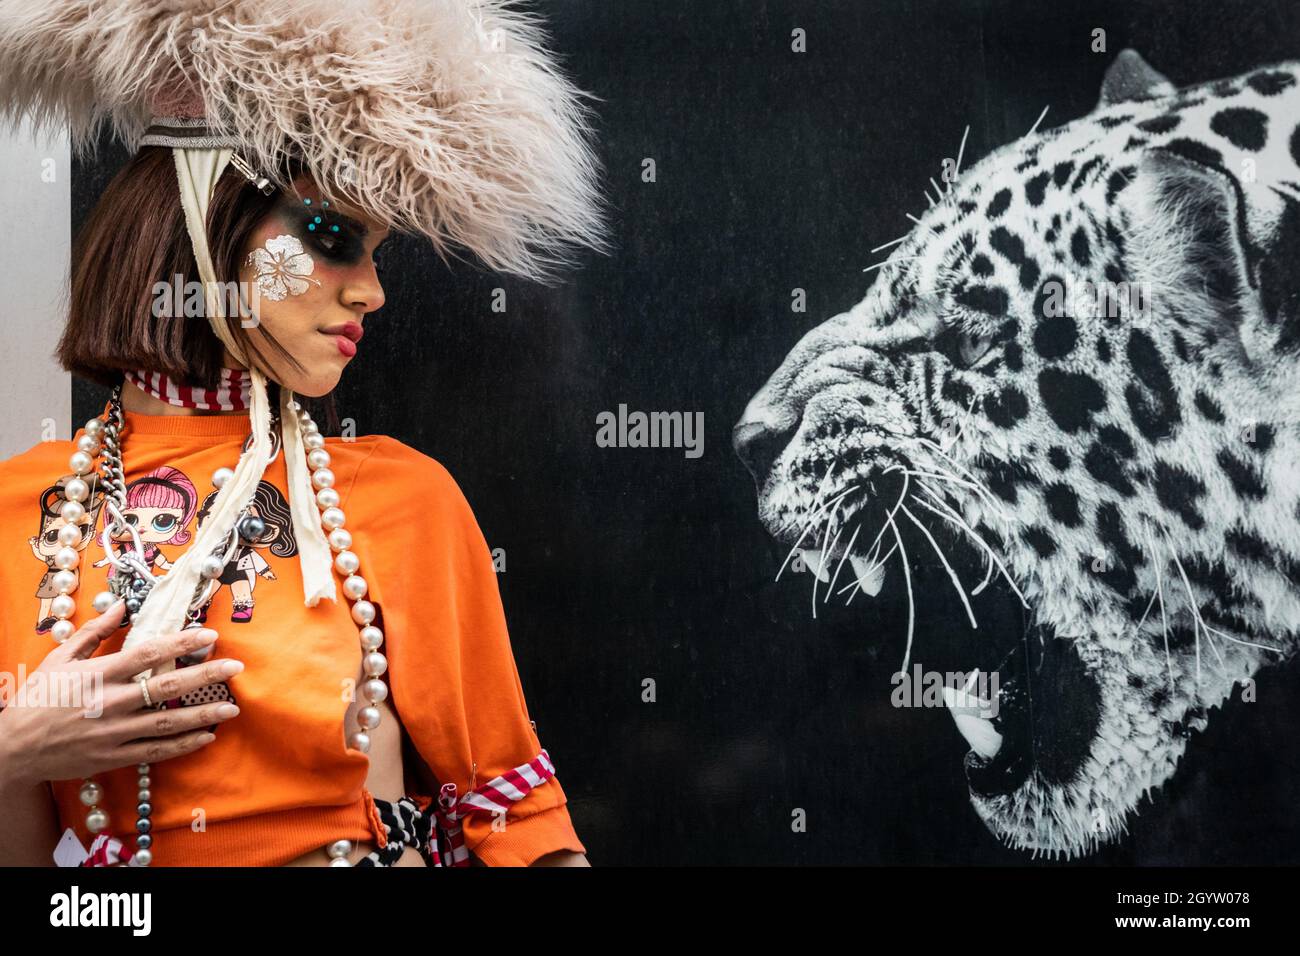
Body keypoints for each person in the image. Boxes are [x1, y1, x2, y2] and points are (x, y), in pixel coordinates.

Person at [0, 0, 608, 867]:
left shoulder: (399, 498)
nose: (371, 292)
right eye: (333, 238)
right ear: (202, 223)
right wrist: (16, 750)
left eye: (376, 254)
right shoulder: (21, 513)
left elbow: (518, 822)